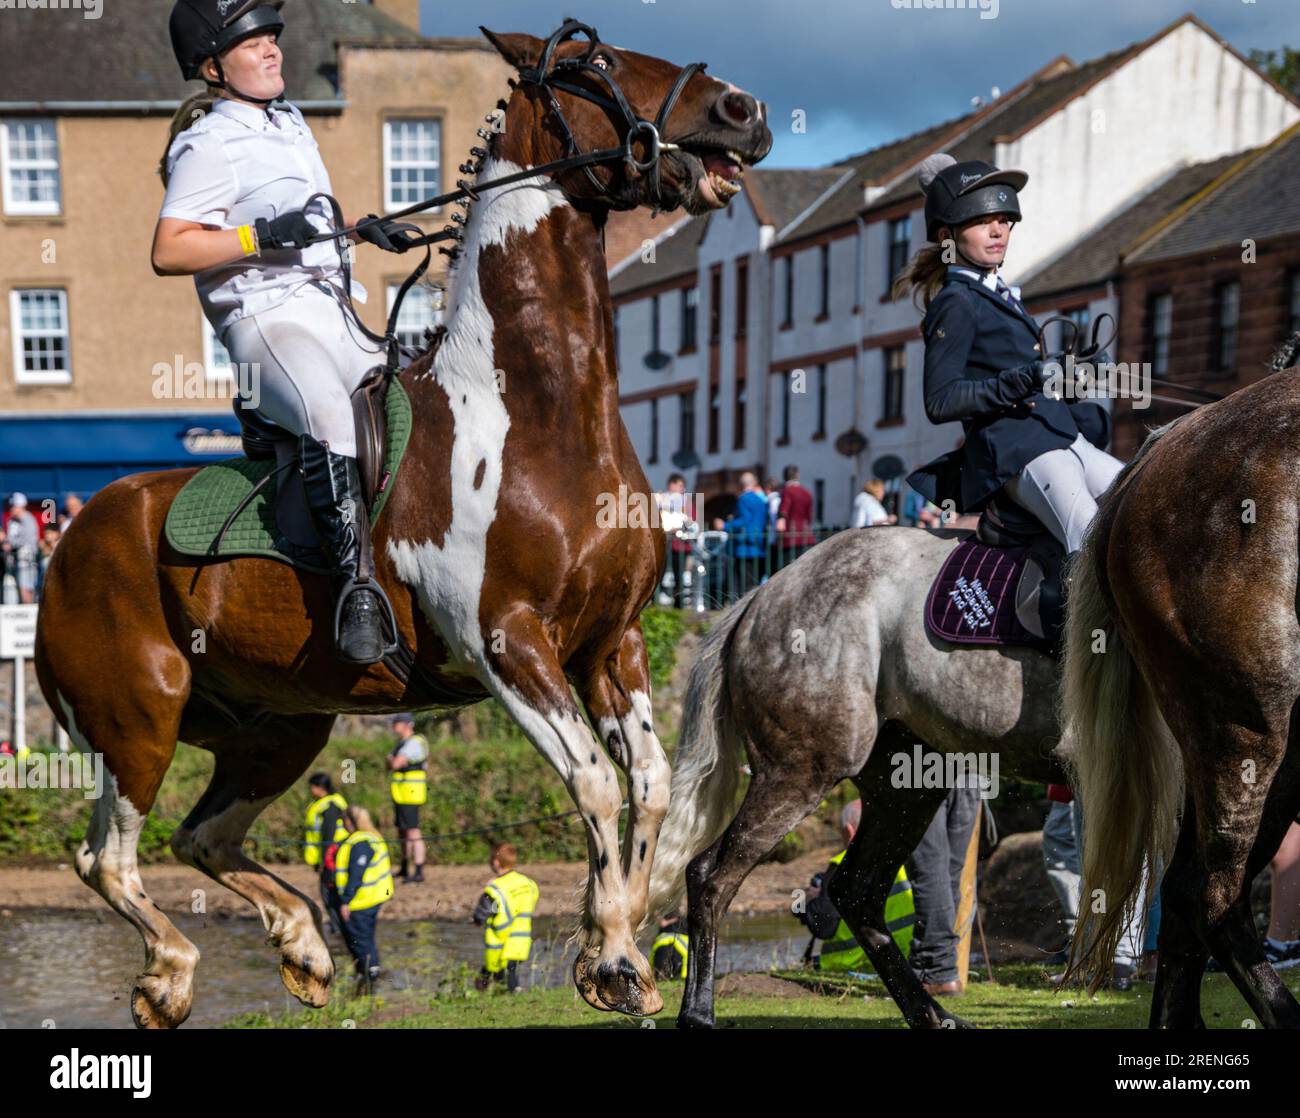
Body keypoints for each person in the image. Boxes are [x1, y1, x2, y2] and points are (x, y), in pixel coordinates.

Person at [155, 1, 420, 664]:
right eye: (253, 44)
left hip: (332, 313)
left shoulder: (291, 124)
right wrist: (256, 237)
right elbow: (168, 249)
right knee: (331, 414)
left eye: (273, 37)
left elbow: (307, 216)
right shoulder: (206, 143)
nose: (272, 50)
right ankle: (356, 589)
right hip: (265, 325)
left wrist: (361, 227)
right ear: (214, 67)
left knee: (427, 397)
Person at [899, 153, 1123, 559]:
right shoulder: (956, 302)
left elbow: (1021, 375)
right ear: (949, 236)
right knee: (1091, 540)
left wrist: (1069, 378)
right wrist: (1031, 376)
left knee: (1147, 509)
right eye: (983, 221)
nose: (997, 230)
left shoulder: (998, 293)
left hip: (1063, 436)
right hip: (1020, 452)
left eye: (1004, 220)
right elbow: (941, 400)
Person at [800, 800, 915, 974]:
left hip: (852, 966)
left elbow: (822, 927)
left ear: (849, 830)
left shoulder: (844, 863)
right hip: (905, 963)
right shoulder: (905, 857)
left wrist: (803, 899)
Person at [334, 805, 394, 987]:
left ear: (351, 822)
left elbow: (356, 875)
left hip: (362, 900)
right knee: (366, 937)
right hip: (373, 897)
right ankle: (368, 973)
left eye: (344, 821)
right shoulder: (372, 836)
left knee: (360, 939)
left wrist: (345, 901)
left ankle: (369, 974)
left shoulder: (361, 843)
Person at [472, 842, 539, 993]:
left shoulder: (495, 887)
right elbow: (533, 898)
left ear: (495, 863)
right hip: (522, 937)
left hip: (501, 938)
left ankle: (507, 994)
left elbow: (481, 913)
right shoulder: (527, 883)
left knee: (497, 970)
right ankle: (508, 993)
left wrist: (477, 920)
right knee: (511, 969)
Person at [303, 772, 348, 935]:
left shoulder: (330, 806)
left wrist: (323, 861)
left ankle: (339, 929)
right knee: (329, 893)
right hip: (329, 856)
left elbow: (328, 836)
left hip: (333, 857)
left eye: (312, 787)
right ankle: (340, 927)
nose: (310, 790)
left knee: (329, 893)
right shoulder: (323, 803)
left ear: (319, 787)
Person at [386, 713, 428, 883]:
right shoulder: (404, 743)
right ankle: (405, 867)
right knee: (402, 832)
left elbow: (395, 763)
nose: (393, 726)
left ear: (406, 724)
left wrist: (390, 759)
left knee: (413, 831)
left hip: (410, 794)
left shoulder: (414, 742)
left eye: (395, 722)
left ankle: (418, 870)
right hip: (402, 794)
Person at [723, 472, 769, 601]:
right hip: (758, 545)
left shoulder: (743, 499)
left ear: (741, 484)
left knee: (743, 584)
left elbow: (745, 519)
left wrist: (726, 525)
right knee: (754, 583)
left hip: (744, 547)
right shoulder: (761, 500)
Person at [658, 473, 694, 608]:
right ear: (671, 485)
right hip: (665, 542)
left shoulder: (686, 501)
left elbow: (692, 521)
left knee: (679, 575)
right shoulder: (662, 499)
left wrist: (685, 521)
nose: (682, 489)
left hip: (680, 544)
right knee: (660, 574)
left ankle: (678, 603)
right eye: (680, 485)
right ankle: (657, 600)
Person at [2, 493, 39, 605]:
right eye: (11, 506)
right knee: (11, 588)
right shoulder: (11, 521)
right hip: (13, 561)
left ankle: (30, 614)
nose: (12, 509)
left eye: (14, 506)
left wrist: (9, 542)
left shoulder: (28, 519)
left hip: (26, 561)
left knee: (26, 588)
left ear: (21, 506)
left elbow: (29, 540)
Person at [775, 465, 815, 566]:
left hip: (790, 538)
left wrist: (779, 529)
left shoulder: (787, 491)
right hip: (806, 536)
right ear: (798, 475)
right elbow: (809, 517)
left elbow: (784, 511)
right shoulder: (807, 493)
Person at [651, 912, 689, 981]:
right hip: (679, 951)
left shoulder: (662, 935)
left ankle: (658, 975)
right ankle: (682, 977)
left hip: (661, 948)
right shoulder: (684, 922)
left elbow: (651, 958)